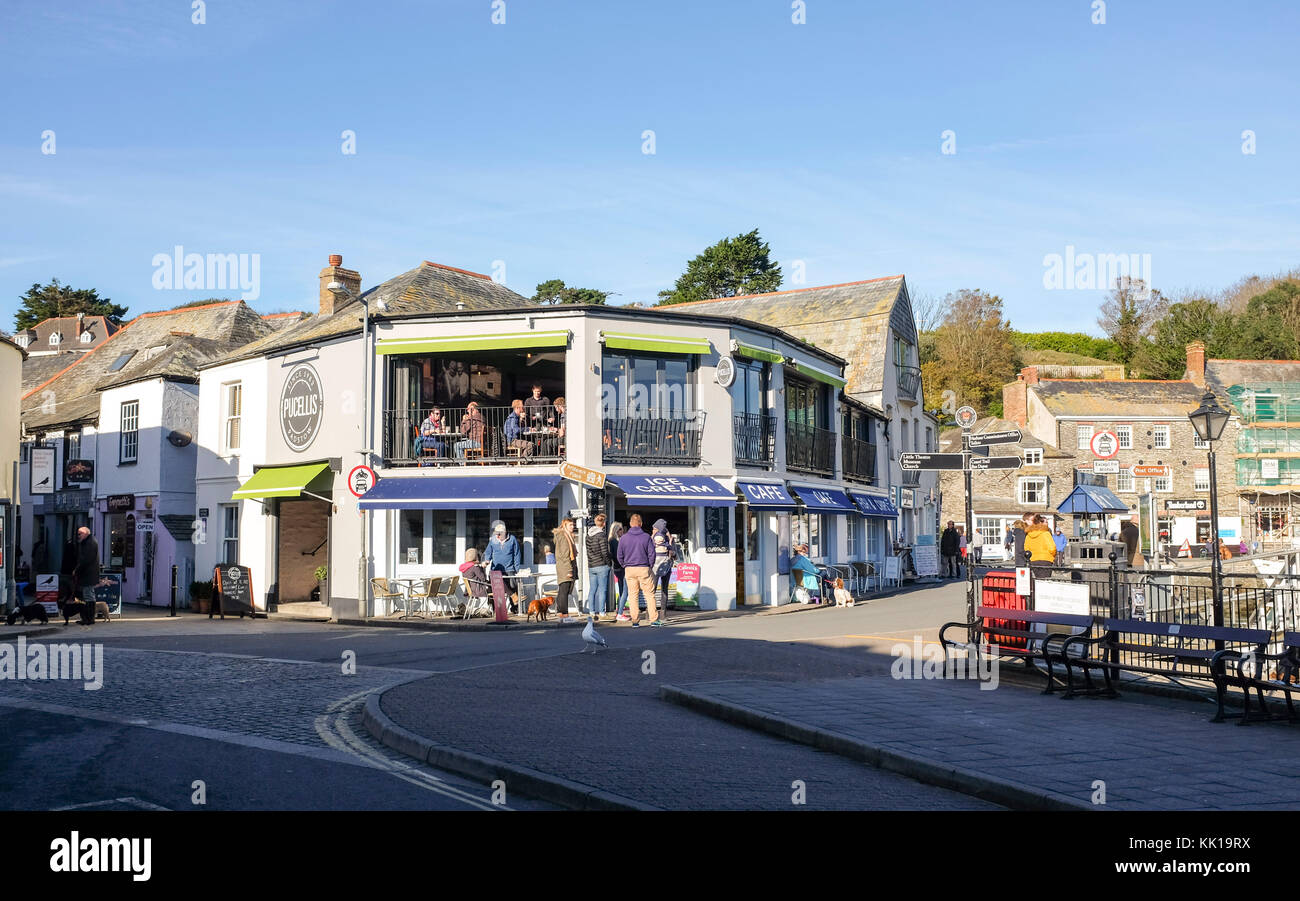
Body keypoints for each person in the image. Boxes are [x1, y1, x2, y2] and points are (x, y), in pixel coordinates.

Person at [616, 513, 658, 626]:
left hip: (629, 569)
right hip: (644, 568)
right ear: (641, 524)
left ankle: (635, 621)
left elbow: (619, 555)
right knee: (649, 594)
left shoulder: (623, 538)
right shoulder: (646, 537)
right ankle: (653, 620)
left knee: (633, 595)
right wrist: (650, 565)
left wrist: (624, 565)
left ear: (630, 524)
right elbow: (652, 554)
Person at [484, 520, 521, 611]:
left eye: (499, 534)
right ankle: (498, 609)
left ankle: (515, 608)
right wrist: (487, 560)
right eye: (496, 534)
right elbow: (488, 552)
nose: (497, 536)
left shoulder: (512, 539)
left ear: (505, 533)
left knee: (512, 587)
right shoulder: (493, 540)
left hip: (509, 568)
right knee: (497, 590)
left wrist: (517, 568)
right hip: (496, 569)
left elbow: (517, 554)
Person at [586, 513, 612, 620]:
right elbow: (604, 552)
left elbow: (588, 551)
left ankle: (591, 612)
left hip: (592, 565)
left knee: (592, 589)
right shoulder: (601, 535)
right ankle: (602, 612)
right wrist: (609, 563)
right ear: (604, 523)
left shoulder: (588, 535)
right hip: (602, 565)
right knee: (602, 590)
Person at [552, 517, 578, 619]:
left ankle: (561, 611)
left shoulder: (568, 536)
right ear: (564, 526)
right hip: (565, 567)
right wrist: (568, 569)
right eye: (570, 525)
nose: (573, 527)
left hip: (566, 565)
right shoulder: (563, 536)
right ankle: (563, 613)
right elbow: (564, 554)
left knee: (564, 589)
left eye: (573, 525)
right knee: (564, 589)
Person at [73, 526, 98, 626]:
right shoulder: (88, 542)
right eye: (78, 534)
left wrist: (76, 570)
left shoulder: (89, 543)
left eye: (80, 534)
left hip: (88, 574)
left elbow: (85, 560)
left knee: (88, 596)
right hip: (88, 574)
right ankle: (88, 618)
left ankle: (88, 619)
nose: (78, 536)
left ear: (86, 533)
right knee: (88, 596)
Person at [651, 518, 675, 610]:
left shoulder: (652, 539)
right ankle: (663, 613)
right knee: (664, 590)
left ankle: (650, 612)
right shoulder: (669, 538)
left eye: (654, 528)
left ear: (657, 528)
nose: (653, 530)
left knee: (652, 590)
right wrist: (669, 545)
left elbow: (648, 551)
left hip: (655, 567)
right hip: (667, 566)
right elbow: (675, 555)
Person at [608, 521, 627, 617]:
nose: (622, 531)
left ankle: (619, 609)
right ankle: (620, 611)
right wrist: (623, 564)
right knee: (624, 591)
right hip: (620, 567)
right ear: (616, 530)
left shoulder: (612, 540)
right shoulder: (614, 541)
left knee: (621, 589)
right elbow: (616, 556)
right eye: (620, 529)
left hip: (617, 567)